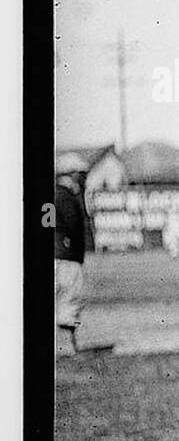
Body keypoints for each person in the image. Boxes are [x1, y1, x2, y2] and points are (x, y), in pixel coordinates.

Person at [53, 152, 90, 358]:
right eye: (80, 173)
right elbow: (75, 228)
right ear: (71, 174)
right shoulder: (67, 196)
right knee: (70, 299)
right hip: (67, 257)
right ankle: (68, 345)